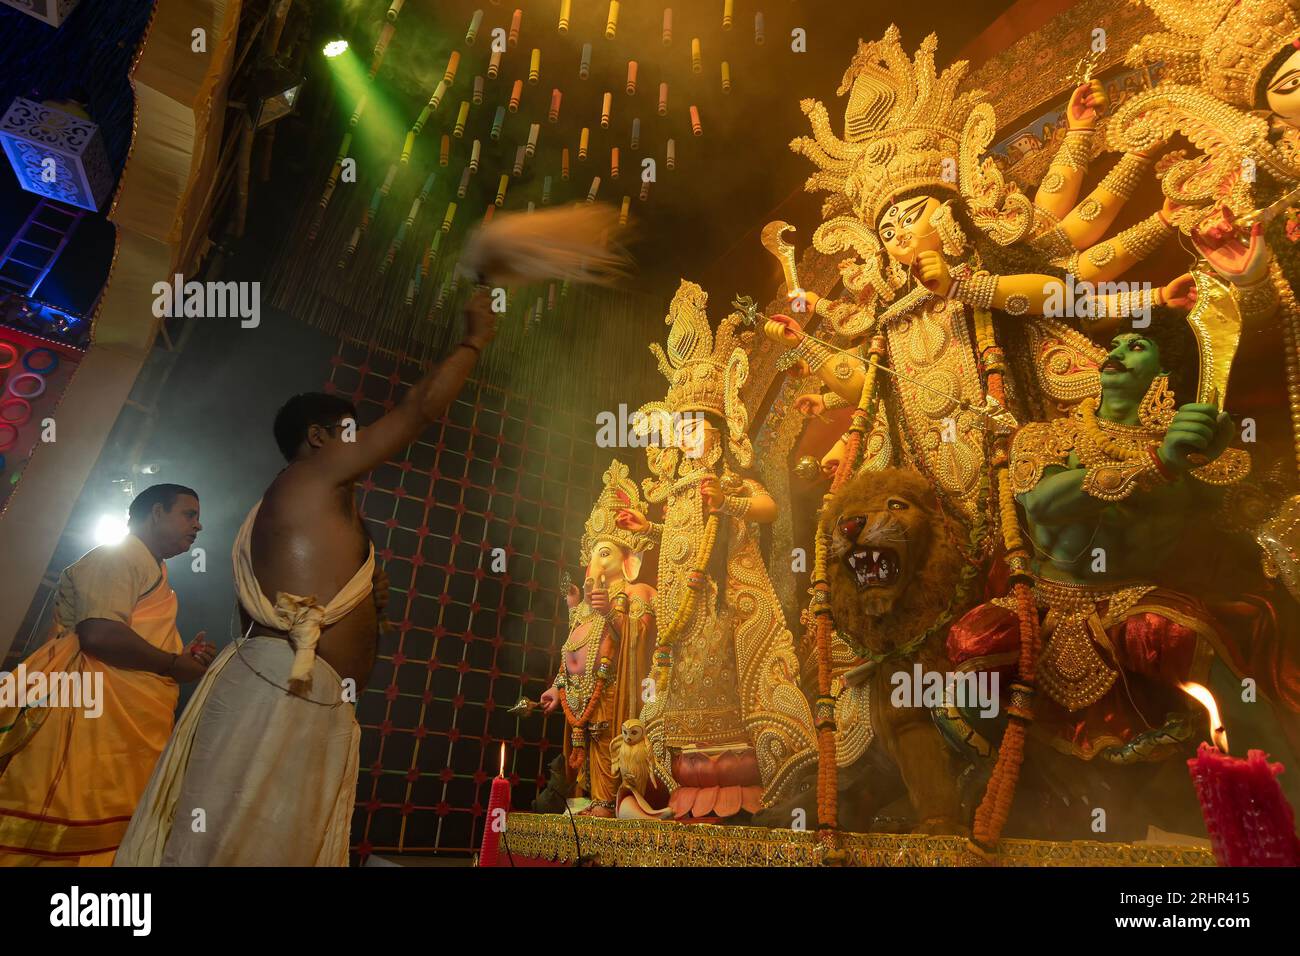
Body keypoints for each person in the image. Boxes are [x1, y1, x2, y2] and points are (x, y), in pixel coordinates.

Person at [117, 291, 496, 866]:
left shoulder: (294, 507)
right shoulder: (311, 475)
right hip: (281, 696)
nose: (360, 444)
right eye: (351, 431)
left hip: (290, 695)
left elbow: (265, 617)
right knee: (236, 849)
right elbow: (419, 409)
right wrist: (475, 340)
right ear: (319, 439)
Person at [0, 484, 213, 865]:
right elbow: (99, 634)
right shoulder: (118, 557)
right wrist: (171, 664)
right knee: (57, 837)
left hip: (118, 725)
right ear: (156, 513)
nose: (198, 526)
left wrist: (179, 659)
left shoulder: (151, 568)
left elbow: (131, 639)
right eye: (189, 514)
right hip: (85, 718)